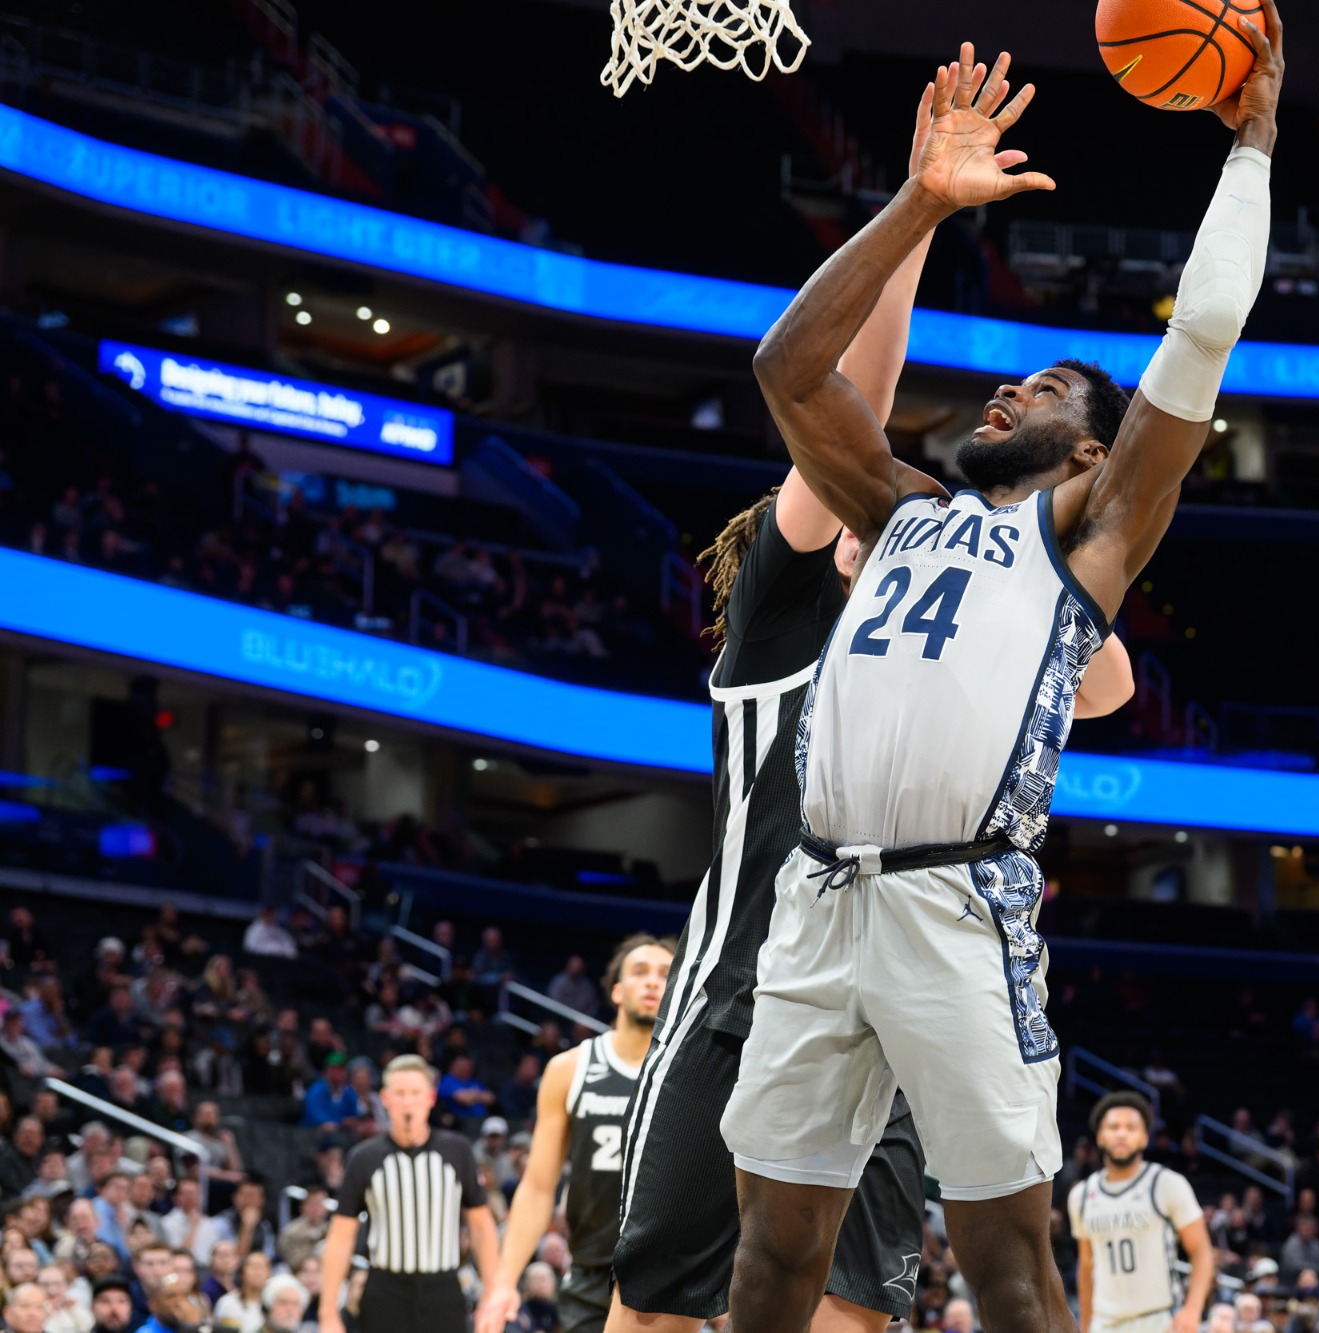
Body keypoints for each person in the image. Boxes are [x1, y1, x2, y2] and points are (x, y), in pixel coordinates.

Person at [719, 18, 1281, 1333]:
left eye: (1035, 394)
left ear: (1087, 454)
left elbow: (1201, 329)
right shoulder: (899, 504)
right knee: (767, 1264)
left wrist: (1252, 137)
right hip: (817, 892)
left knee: (1010, 1277)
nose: (1001, 398)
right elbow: (784, 369)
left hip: (956, 904)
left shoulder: (1089, 533)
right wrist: (914, 200)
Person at [606, 80, 1136, 1333]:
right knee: (660, 1302)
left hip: (911, 967)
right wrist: (919, 216)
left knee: (851, 1304)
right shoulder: (789, 605)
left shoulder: (961, 614)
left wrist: (1031, 538)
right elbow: (841, 396)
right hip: (748, 972)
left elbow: (1103, 684)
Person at [476, 936, 672, 1333]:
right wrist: (503, 1282)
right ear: (616, 990)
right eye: (640, 972)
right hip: (589, 1271)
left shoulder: (691, 1072)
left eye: (665, 975)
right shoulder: (571, 1068)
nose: (652, 982)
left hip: (668, 1278)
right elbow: (537, 1186)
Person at [321, 1055, 498, 1332]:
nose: (407, 1102)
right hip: (385, 1288)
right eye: (400, 1094)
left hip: (442, 1288)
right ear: (386, 1098)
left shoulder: (457, 1151)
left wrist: (492, 1293)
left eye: (415, 1093)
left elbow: (482, 1227)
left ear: (430, 1097)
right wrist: (327, 1311)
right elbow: (341, 1236)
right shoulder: (364, 1157)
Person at [1070, 1093, 1214, 1333]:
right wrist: (1085, 1325)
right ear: (1100, 1137)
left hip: (1159, 1320)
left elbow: (1202, 1252)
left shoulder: (1166, 1184)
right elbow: (1086, 1267)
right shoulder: (1081, 1196)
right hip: (1105, 1324)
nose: (1122, 1133)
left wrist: (1192, 1310)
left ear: (1145, 1138)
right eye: (1114, 1127)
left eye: (1131, 1127)